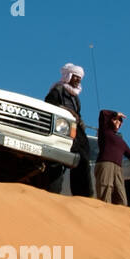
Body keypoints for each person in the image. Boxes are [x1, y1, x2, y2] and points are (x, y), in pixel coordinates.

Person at [44, 63, 94, 196]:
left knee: (82, 160)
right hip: (61, 131)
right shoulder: (58, 90)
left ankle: (83, 196)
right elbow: (49, 105)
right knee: (57, 162)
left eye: (80, 78)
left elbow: (78, 114)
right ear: (68, 76)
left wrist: (79, 120)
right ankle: (52, 194)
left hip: (76, 132)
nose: (78, 80)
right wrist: (67, 111)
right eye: (75, 77)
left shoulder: (75, 97)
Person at [93, 109, 130, 204]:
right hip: (106, 165)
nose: (118, 122)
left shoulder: (121, 141)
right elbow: (103, 113)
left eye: (120, 121)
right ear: (110, 120)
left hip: (118, 169)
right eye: (116, 119)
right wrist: (116, 113)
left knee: (121, 197)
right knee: (105, 193)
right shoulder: (104, 131)